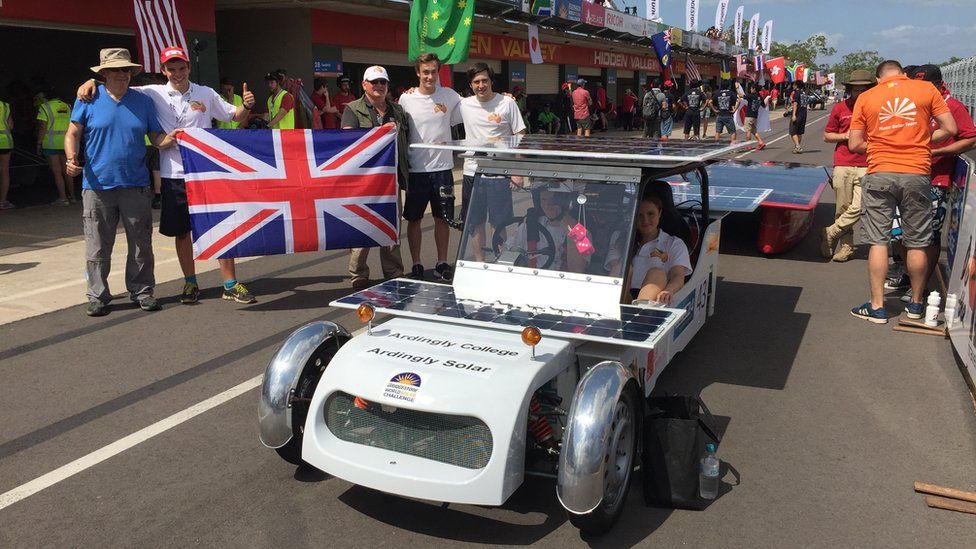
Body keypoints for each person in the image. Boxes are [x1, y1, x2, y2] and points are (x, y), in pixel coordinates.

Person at [78, 46, 256, 305]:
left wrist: (246, 106)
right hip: (174, 175)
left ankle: (230, 283)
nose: (177, 73)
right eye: (171, 69)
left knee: (220, 228)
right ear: (163, 71)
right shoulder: (152, 93)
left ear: (189, 67)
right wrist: (90, 81)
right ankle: (190, 283)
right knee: (182, 233)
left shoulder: (205, 93)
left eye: (181, 67)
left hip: (206, 173)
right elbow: (116, 84)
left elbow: (233, 115)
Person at [64, 48, 175, 316]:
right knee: (98, 244)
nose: (123, 75)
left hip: (135, 184)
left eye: (126, 70)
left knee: (141, 242)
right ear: (104, 74)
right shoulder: (88, 99)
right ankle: (98, 295)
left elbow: (156, 136)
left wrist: (176, 139)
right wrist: (71, 158)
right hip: (97, 185)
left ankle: (142, 291)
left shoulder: (142, 101)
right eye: (117, 70)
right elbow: (72, 134)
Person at [848, 59, 956, 324]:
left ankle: (877, 308)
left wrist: (878, 147)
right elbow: (950, 129)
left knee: (879, 240)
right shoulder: (927, 90)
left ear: (878, 78)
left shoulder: (868, 96)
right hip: (917, 172)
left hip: (880, 171)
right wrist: (920, 140)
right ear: (902, 74)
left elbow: (854, 143)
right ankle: (917, 303)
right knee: (917, 240)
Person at [341, 65, 408, 289]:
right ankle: (358, 273)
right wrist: (380, 133)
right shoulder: (352, 108)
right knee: (362, 226)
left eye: (383, 82)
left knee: (391, 228)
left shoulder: (397, 111)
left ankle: (393, 271)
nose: (379, 86)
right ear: (364, 85)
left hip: (391, 181)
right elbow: (349, 143)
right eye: (374, 82)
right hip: (363, 183)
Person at [397, 53, 463, 282]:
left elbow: (475, 109)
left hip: (443, 169)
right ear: (418, 73)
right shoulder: (406, 100)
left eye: (433, 71)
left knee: (442, 218)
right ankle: (416, 263)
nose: (429, 76)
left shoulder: (450, 96)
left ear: (438, 72)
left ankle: (441, 262)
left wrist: (501, 98)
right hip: (416, 170)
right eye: (425, 72)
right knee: (413, 219)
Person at [913, 64, 976, 293]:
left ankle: (921, 283)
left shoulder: (952, 106)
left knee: (928, 234)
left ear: (940, 85)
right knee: (904, 233)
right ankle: (911, 276)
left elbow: (970, 139)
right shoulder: (920, 104)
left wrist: (938, 152)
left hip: (937, 180)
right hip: (913, 175)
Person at [458, 62, 526, 262]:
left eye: (484, 80)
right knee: (475, 222)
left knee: (499, 223)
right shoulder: (463, 104)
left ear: (491, 81)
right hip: (472, 172)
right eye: (476, 82)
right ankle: (480, 263)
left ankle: (500, 261)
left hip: (500, 173)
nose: (481, 85)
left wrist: (518, 171)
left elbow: (520, 136)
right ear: (471, 85)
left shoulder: (507, 103)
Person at [821, 70, 874, 262]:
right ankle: (846, 248)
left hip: (867, 164)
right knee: (842, 207)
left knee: (860, 206)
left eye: (863, 90)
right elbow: (827, 136)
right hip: (843, 163)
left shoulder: (876, 109)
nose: (859, 94)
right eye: (855, 90)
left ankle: (830, 232)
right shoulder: (840, 109)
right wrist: (846, 136)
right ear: (850, 90)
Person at [613, 187, 692, 305]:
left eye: (650, 214)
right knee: (623, 267)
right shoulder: (619, 238)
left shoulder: (674, 243)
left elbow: (677, 276)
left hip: (655, 297)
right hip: (621, 295)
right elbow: (613, 270)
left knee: (657, 272)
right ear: (633, 216)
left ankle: (639, 314)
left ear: (659, 213)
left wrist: (668, 291)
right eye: (639, 215)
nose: (645, 220)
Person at [503, 187, 589, 273]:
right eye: (543, 200)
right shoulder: (530, 225)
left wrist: (572, 231)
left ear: (565, 203)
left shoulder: (582, 232)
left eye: (552, 200)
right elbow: (507, 250)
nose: (547, 205)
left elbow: (578, 270)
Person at [35, 86, 75, 205]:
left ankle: (63, 199)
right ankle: (72, 197)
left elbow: (42, 127)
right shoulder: (68, 106)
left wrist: (39, 143)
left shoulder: (44, 107)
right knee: (67, 171)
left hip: (51, 144)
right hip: (66, 143)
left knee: (57, 172)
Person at [742, 82, 767, 150]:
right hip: (755, 116)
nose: (750, 89)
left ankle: (748, 145)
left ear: (754, 89)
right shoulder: (760, 97)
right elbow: (764, 105)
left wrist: (738, 90)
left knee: (748, 131)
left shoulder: (750, 95)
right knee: (754, 131)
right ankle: (761, 142)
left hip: (749, 115)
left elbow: (742, 96)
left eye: (751, 88)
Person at [789, 81, 809, 153]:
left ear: (796, 86)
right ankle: (797, 147)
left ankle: (798, 146)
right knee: (799, 132)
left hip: (797, 114)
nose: (793, 86)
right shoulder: (804, 93)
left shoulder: (797, 93)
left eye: (794, 85)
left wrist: (794, 115)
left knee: (793, 132)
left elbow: (795, 104)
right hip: (804, 114)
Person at [0, 97, 12, 209]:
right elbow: (10, 125)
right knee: (4, 172)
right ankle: (2, 202)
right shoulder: (4, 105)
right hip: (5, 141)